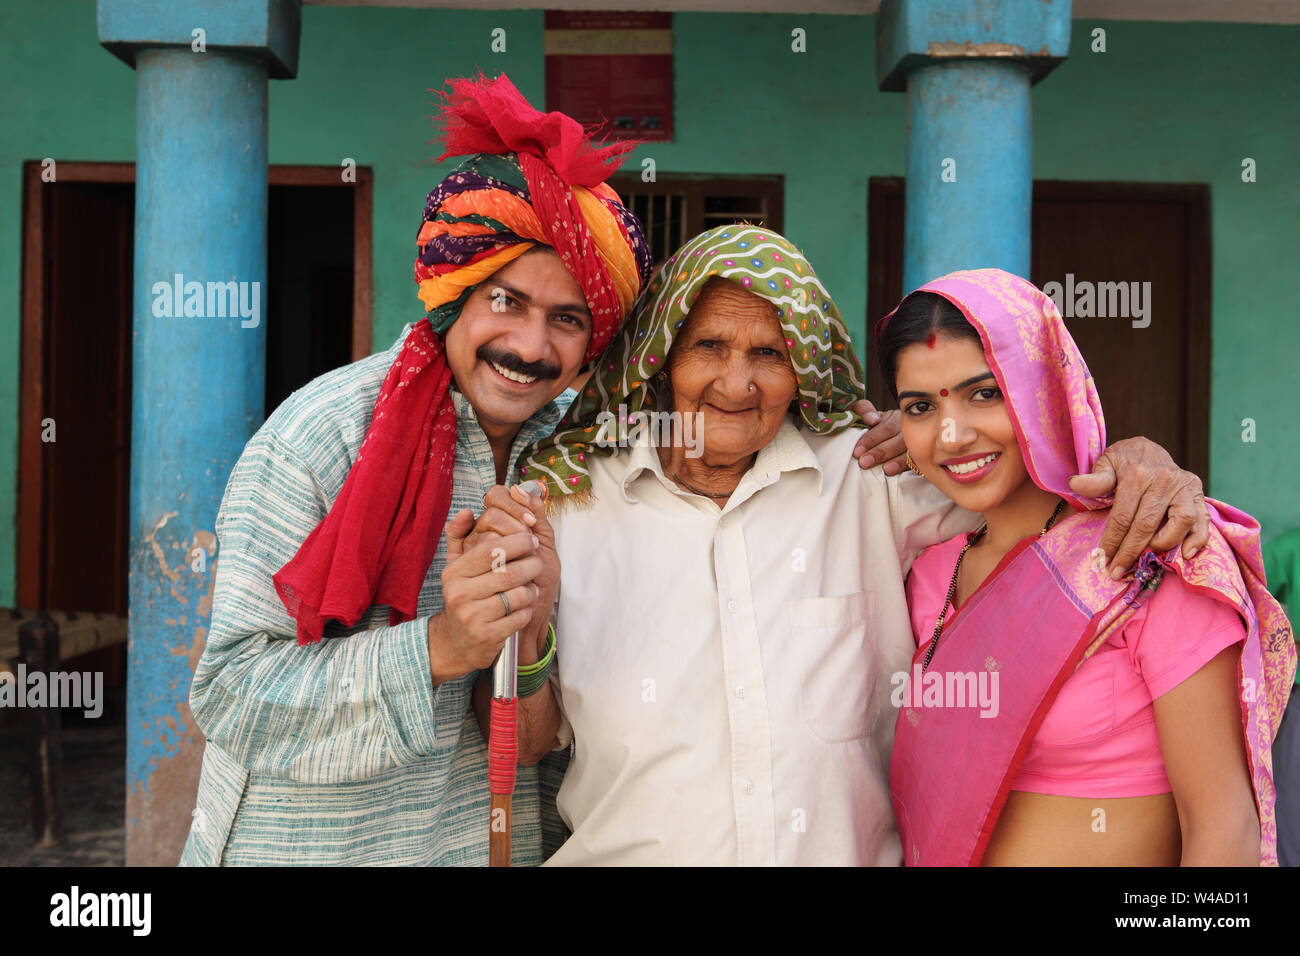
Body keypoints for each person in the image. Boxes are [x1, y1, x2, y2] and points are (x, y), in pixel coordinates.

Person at [467, 225, 1210, 865]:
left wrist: (1139, 460)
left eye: (770, 352)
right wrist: (525, 640)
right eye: (710, 346)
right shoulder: (568, 503)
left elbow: (1036, 494)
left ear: (804, 370)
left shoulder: (872, 478)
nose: (736, 382)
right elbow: (526, 745)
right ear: (662, 358)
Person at [178, 73, 662, 865]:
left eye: (567, 319)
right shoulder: (321, 437)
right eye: (506, 302)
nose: (532, 348)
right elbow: (231, 697)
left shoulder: (576, 455)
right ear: (456, 294)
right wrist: (443, 645)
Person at [878, 269, 1295, 866]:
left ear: (1043, 388)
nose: (953, 435)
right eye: (921, 406)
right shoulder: (928, 574)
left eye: (985, 393)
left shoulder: (1148, 556)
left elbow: (1222, 829)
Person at [1263, 528, 1300, 865]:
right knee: (1292, 796)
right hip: (1298, 693)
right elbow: (1251, 599)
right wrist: (1285, 643)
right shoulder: (1290, 548)